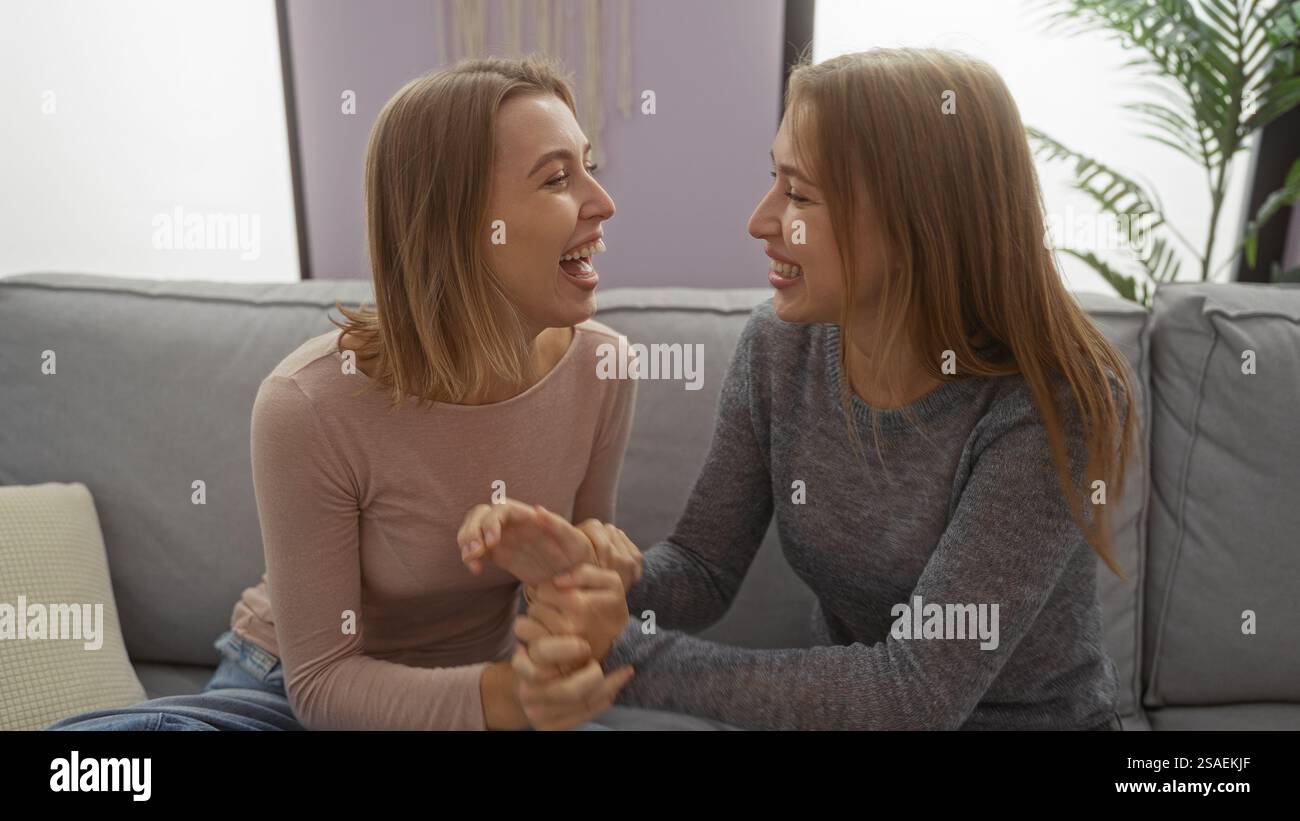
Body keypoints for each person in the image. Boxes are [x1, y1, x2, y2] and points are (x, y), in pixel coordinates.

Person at [484, 48, 1136, 731]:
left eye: (798, 194)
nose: (760, 220)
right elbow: (704, 568)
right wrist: (593, 580)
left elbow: (908, 695)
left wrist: (617, 653)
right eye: (775, 181)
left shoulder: (1045, 405)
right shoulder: (780, 347)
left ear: (917, 220)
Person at [48, 55, 647, 732]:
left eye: (588, 167)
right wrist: (506, 699)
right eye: (558, 178)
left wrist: (586, 595)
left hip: (475, 698)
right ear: (456, 223)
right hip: (290, 691)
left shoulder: (604, 368)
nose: (603, 203)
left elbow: (561, 612)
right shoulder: (309, 404)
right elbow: (323, 682)